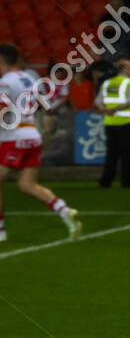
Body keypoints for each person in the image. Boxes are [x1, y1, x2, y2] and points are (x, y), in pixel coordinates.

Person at [0, 45, 82, 242]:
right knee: (27, 185)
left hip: (14, 137)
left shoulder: (5, 82)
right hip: (32, 134)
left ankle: (1, 230)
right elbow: (41, 103)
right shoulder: (30, 78)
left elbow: (2, 109)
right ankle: (63, 209)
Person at [96, 57, 130, 188]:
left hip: (110, 123)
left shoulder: (107, 83)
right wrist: (113, 109)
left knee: (111, 154)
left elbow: (97, 101)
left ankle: (106, 181)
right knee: (128, 154)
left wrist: (105, 110)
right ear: (123, 69)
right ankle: (127, 181)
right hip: (127, 123)